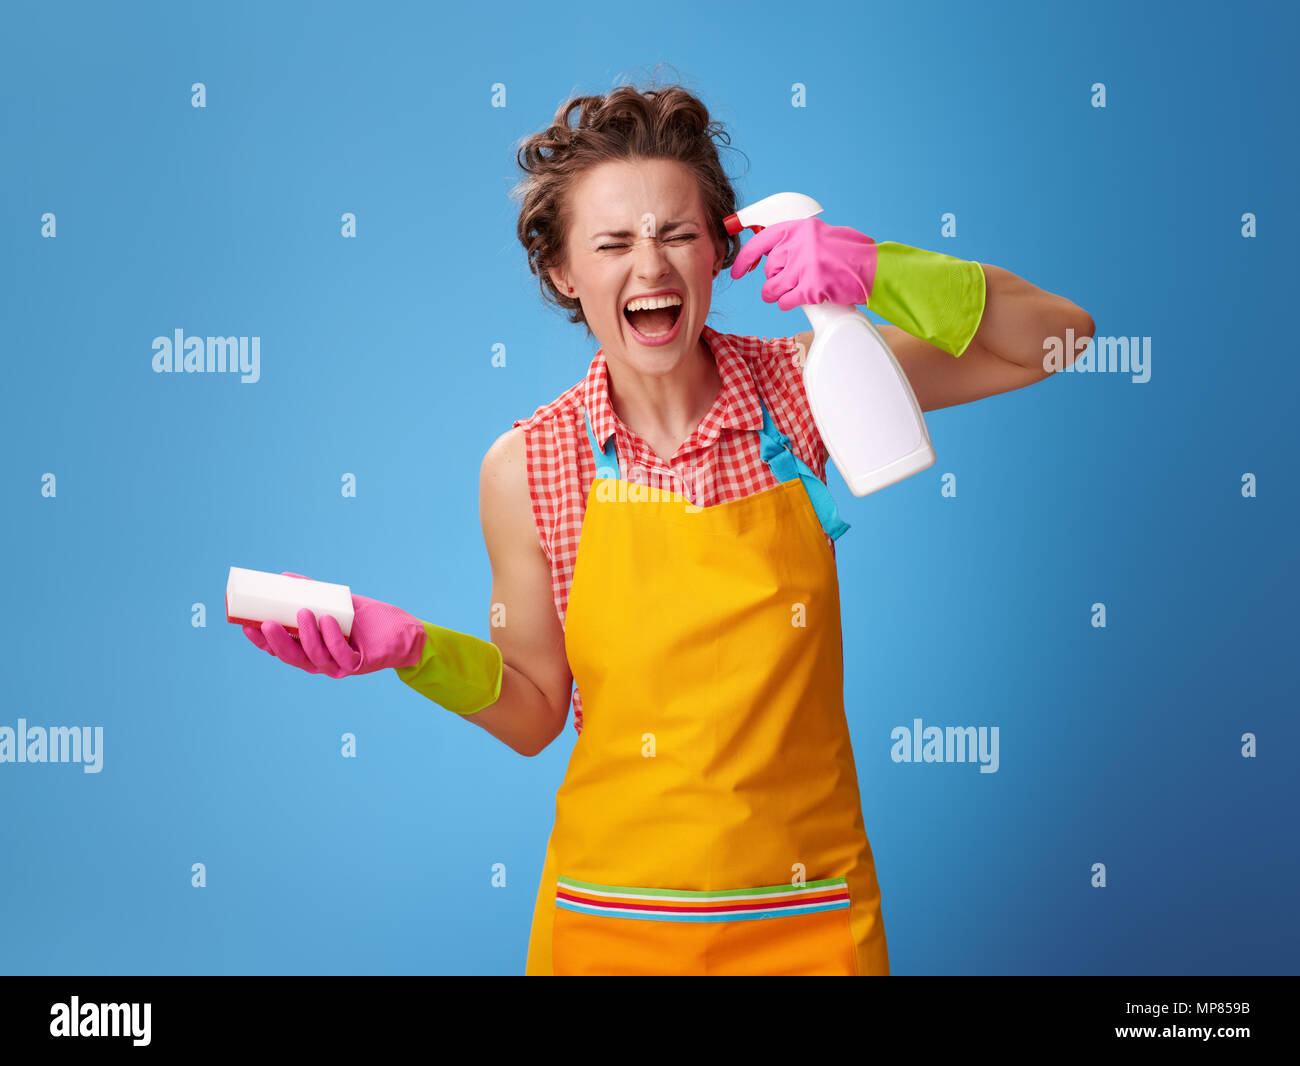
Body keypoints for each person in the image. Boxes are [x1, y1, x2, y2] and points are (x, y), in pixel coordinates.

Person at [243, 81, 1094, 976]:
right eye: (612, 243)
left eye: (677, 234)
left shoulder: (809, 385)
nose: (649, 266)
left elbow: (1056, 338)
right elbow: (537, 712)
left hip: (806, 918)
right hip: (607, 924)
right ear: (564, 272)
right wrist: (413, 650)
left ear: (722, 252)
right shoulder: (526, 466)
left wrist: (881, 271)